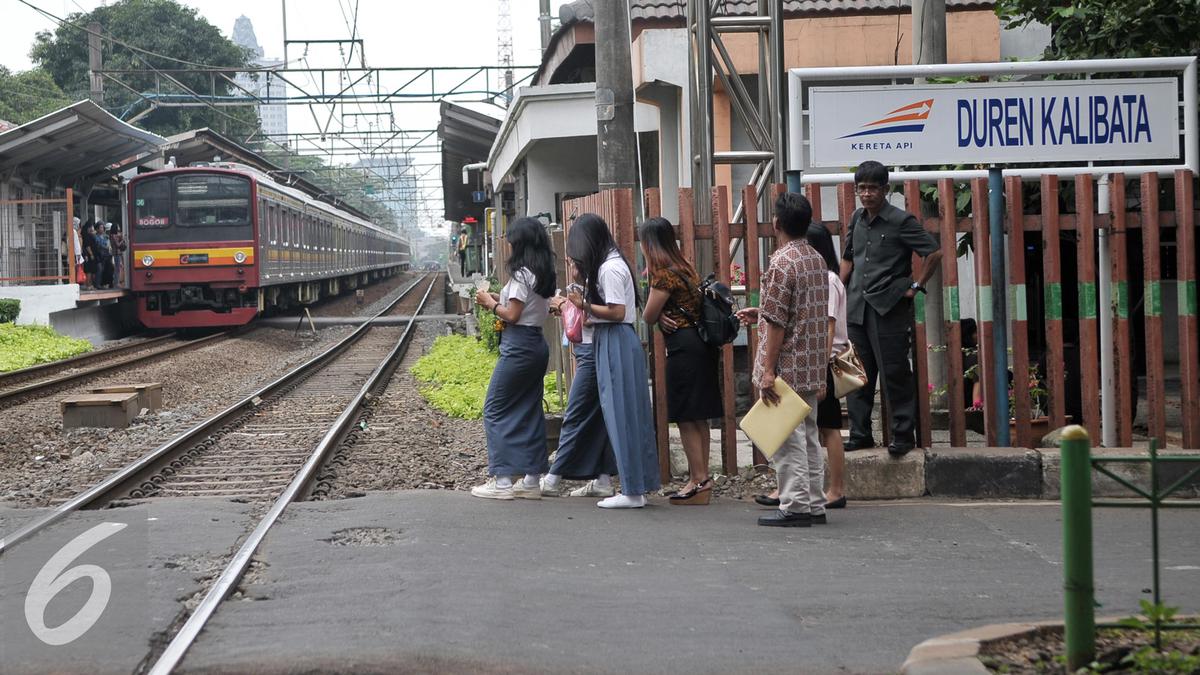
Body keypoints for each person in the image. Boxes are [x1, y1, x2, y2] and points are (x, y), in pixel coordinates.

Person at [736, 192, 829, 527]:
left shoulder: (781, 262)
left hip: (786, 365)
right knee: (808, 436)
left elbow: (777, 323)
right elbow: (798, 311)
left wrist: (767, 371)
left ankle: (794, 505)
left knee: (786, 439)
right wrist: (761, 312)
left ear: (776, 223)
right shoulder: (816, 259)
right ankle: (815, 503)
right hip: (812, 362)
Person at [841, 160, 941, 457]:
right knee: (856, 374)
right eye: (862, 188)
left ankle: (902, 435)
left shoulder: (901, 220)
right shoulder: (856, 219)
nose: (867, 194)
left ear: (885, 189)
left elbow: (933, 252)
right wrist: (837, 291)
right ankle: (860, 434)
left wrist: (917, 285)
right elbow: (849, 257)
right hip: (857, 306)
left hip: (889, 307)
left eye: (873, 188)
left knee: (895, 373)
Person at [565, 213, 659, 508]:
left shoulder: (609, 269)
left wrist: (583, 303)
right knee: (625, 414)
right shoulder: (611, 265)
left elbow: (617, 312)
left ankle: (632, 491)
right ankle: (635, 488)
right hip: (615, 339)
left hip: (615, 338)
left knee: (621, 414)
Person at [470, 217, 557, 500]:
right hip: (536, 344)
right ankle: (532, 479)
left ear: (519, 243)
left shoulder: (521, 274)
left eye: (510, 239)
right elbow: (525, 305)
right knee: (530, 407)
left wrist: (491, 303)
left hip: (518, 345)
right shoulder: (543, 272)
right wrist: (498, 298)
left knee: (495, 407)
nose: (507, 244)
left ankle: (503, 480)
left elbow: (512, 315)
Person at [639, 216, 722, 505]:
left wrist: (657, 315)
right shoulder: (685, 266)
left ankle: (697, 480)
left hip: (683, 347)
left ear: (649, 244)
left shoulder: (663, 275)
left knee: (686, 416)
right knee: (700, 415)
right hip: (701, 344)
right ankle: (703, 477)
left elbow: (648, 315)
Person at [541, 260, 620, 499]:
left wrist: (566, 305)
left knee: (574, 415)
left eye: (573, 262)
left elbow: (589, 319)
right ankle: (604, 479)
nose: (570, 266)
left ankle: (553, 478)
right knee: (599, 417)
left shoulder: (595, 282)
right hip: (590, 350)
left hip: (591, 352)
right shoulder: (588, 282)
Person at [81, 220, 98, 289]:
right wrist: (91, 254)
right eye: (91, 227)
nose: (92, 228)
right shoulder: (87, 236)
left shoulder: (90, 234)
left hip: (91, 255)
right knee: (89, 271)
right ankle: (88, 285)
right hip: (88, 255)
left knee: (91, 270)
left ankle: (90, 284)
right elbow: (88, 246)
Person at [95, 222, 114, 289]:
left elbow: (109, 245)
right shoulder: (96, 237)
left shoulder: (105, 237)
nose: (102, 229)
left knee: (109, 269)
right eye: (101, 227)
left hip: (107, 256)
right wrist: (105, 247)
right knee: (100, 270)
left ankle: (108, 283)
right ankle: (99, 284)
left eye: (103, 228)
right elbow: (98, 246)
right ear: (97, 229)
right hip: (100, 256)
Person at [110, 222, 126, 287]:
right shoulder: (113, 235)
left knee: (118, 268)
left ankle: (116, 282)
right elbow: (118, 245)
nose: (119, 228)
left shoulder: (114, 235)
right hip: (116, 253)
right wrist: (123, 240)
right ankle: (116, 283)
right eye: (118, 226)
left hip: (118, 253)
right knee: (117, 269)